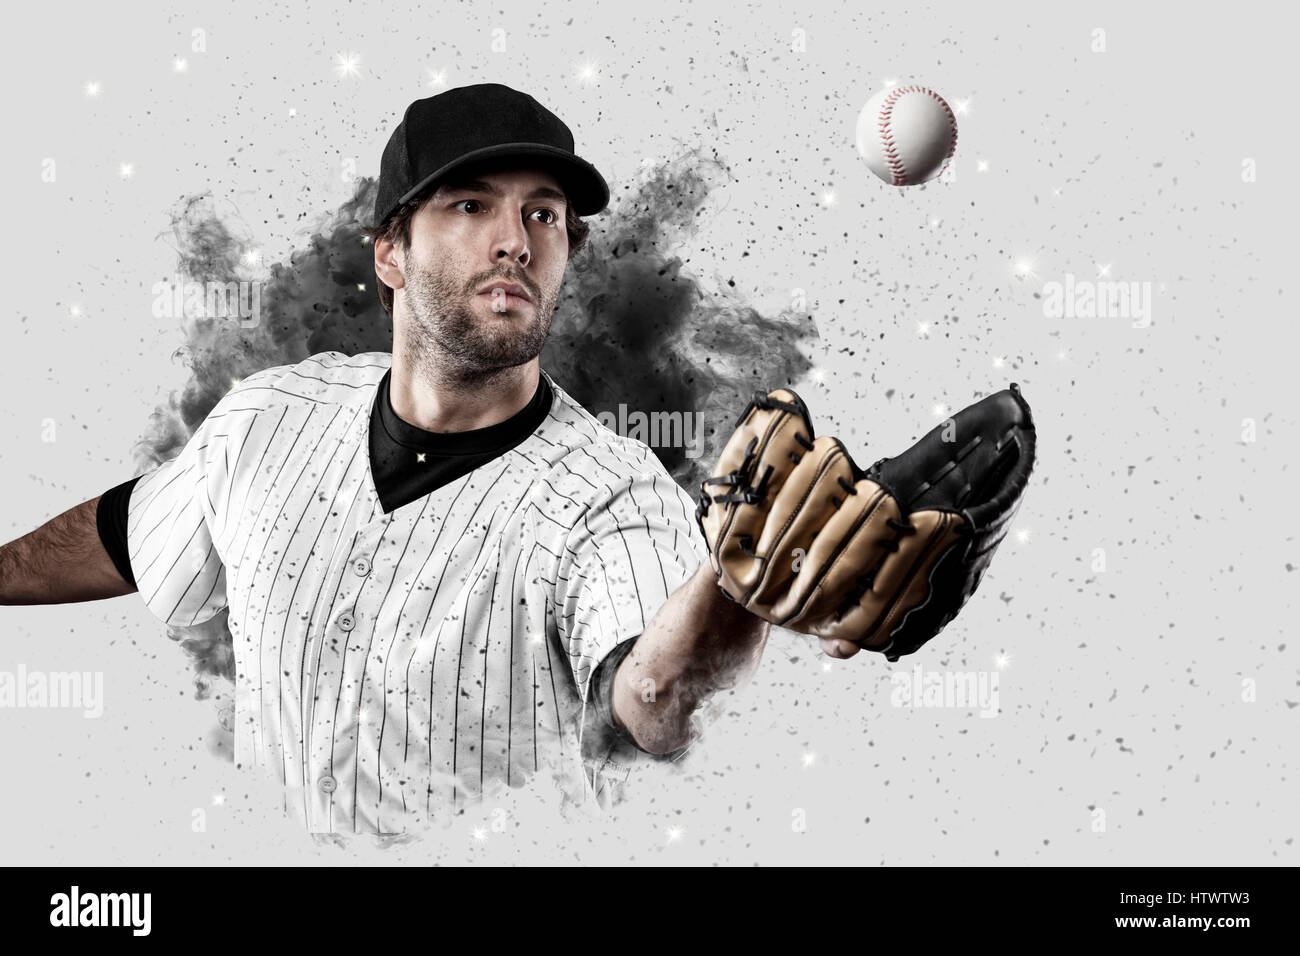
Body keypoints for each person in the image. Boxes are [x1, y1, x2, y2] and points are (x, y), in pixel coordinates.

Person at [0, 83, 785, 834]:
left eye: (543, 214)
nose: (516, 240)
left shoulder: (614, 496)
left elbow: (649, 698)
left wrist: (736, 591)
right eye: (471, 204)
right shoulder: (271, 416)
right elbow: (124, 533)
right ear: (390, 252)